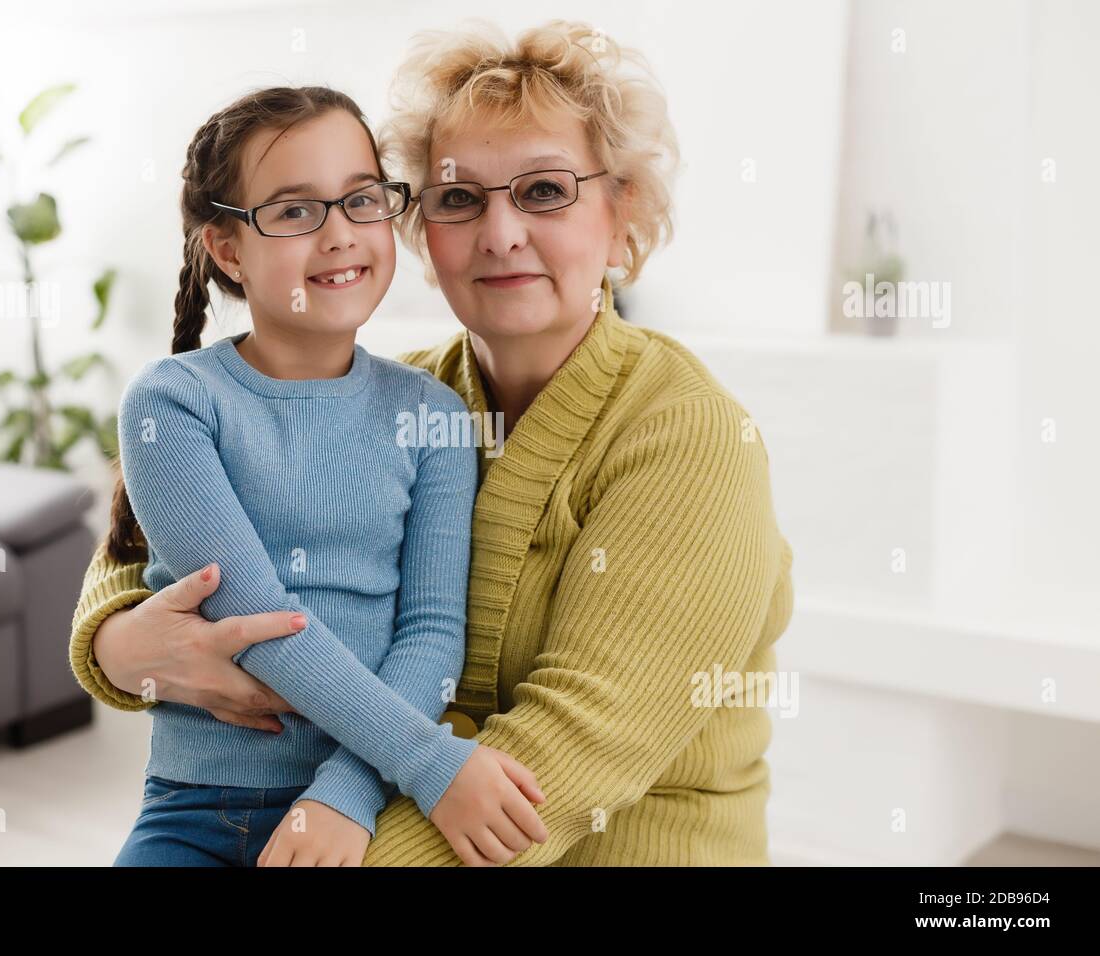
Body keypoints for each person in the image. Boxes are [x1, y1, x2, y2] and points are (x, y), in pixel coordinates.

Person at [72, 20, 795, 866]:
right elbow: (147, 545)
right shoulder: (401, 395)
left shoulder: (688, 437)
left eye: (544, 191)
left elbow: (561, 767)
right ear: (419, 225)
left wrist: (339, 814)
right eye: (459, 198)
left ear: (622, 205)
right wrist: (118, 646)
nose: (499, 234)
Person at [105, 84, 547, 867]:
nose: (340, 235)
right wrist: (431, 762)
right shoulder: (173, 403)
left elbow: (433, 634)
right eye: (294, 210)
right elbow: (256, 618)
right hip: (197, 811)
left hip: (368, 799)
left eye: (361, 200)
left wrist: (347, 791)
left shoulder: (435, 416)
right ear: (227, 247)